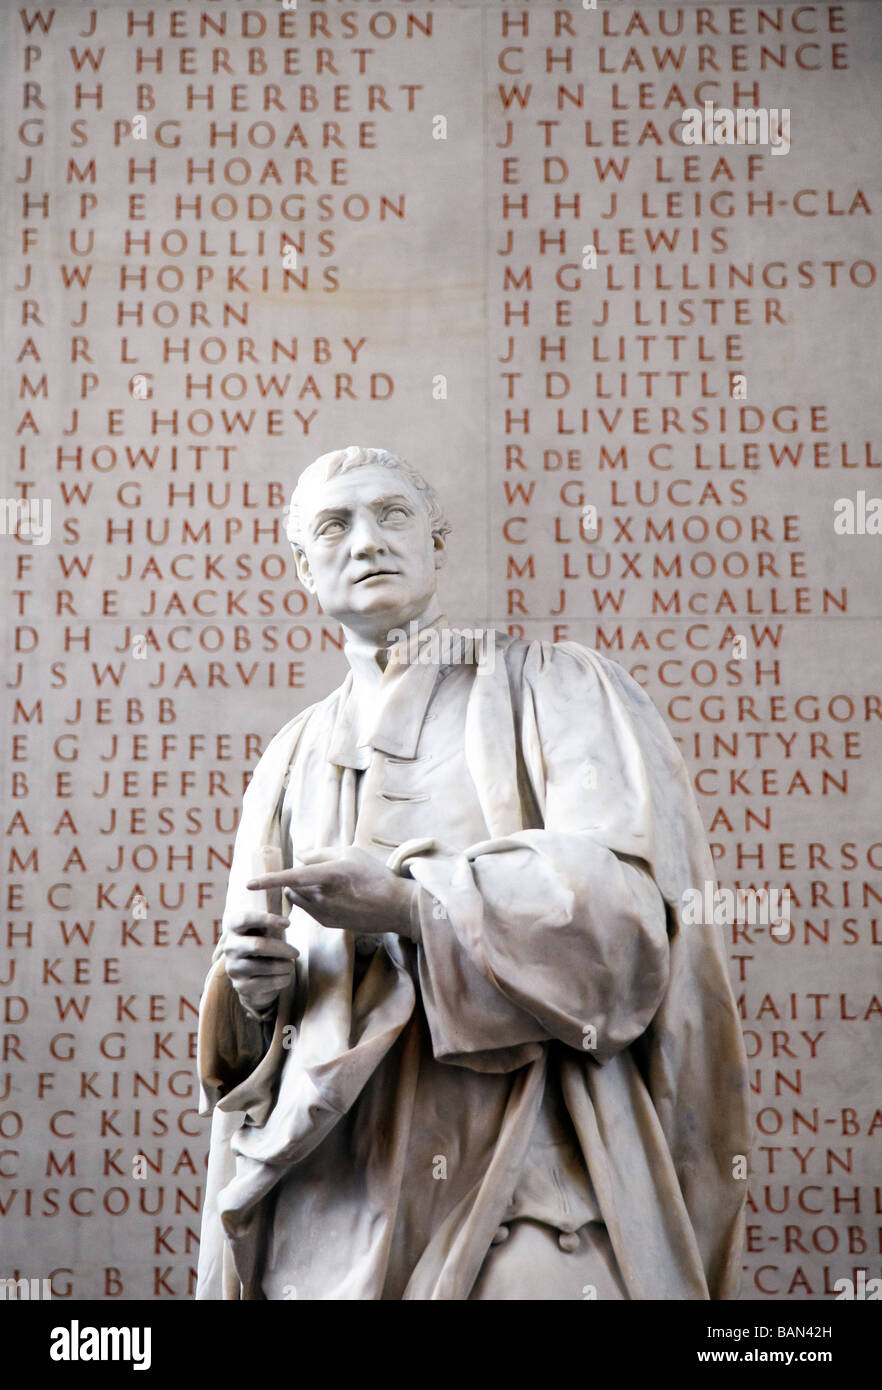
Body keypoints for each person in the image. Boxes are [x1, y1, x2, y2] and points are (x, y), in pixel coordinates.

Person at [195, 445, 749, 1301]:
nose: (367, 541)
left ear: (437, 543)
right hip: (332, 1204)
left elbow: (625, 923)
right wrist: (257, 996)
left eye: (393, 515)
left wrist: (416, 906)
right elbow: (256, 1012)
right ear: (305, 570)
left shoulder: (554, 688)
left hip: (529, 1178)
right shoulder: (288, 760)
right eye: (336, 527)